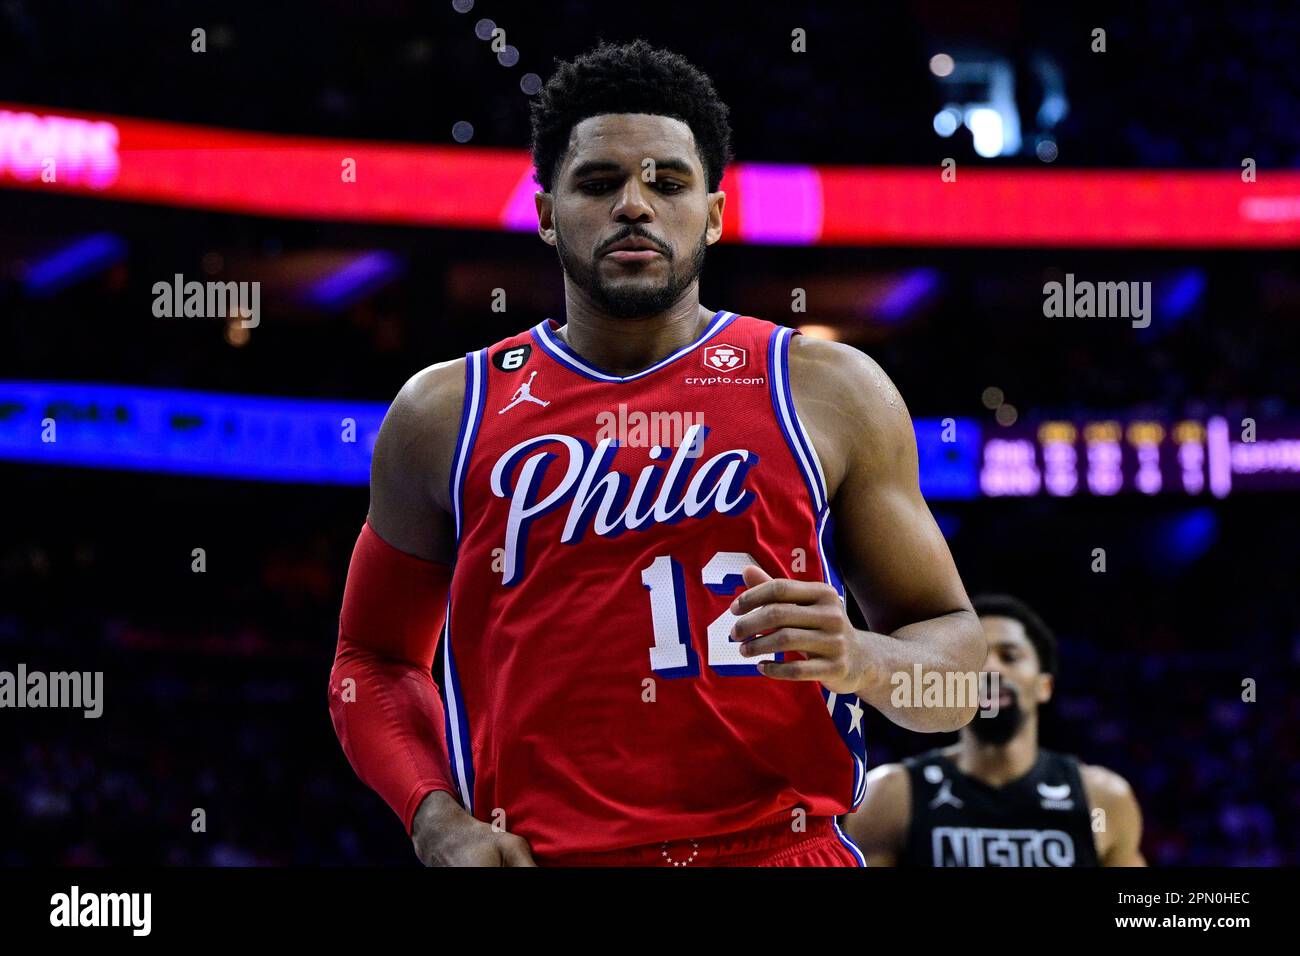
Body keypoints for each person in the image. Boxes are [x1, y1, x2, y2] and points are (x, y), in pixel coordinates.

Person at [328, 39, 984, 867]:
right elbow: (371, 663)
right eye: (599, 183)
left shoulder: (828, 388)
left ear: (711, 213)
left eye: (666, 183)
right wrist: (435, 818)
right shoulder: (443, 412)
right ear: (543, 211)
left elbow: (957, 678)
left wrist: (866, 658)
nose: (633, 205)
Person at [843, 593, 1146, 866]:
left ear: (1045, 686)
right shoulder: (890, 795)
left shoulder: (1104, 798)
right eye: (978, 658)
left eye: (1010, 656)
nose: (991, 670)